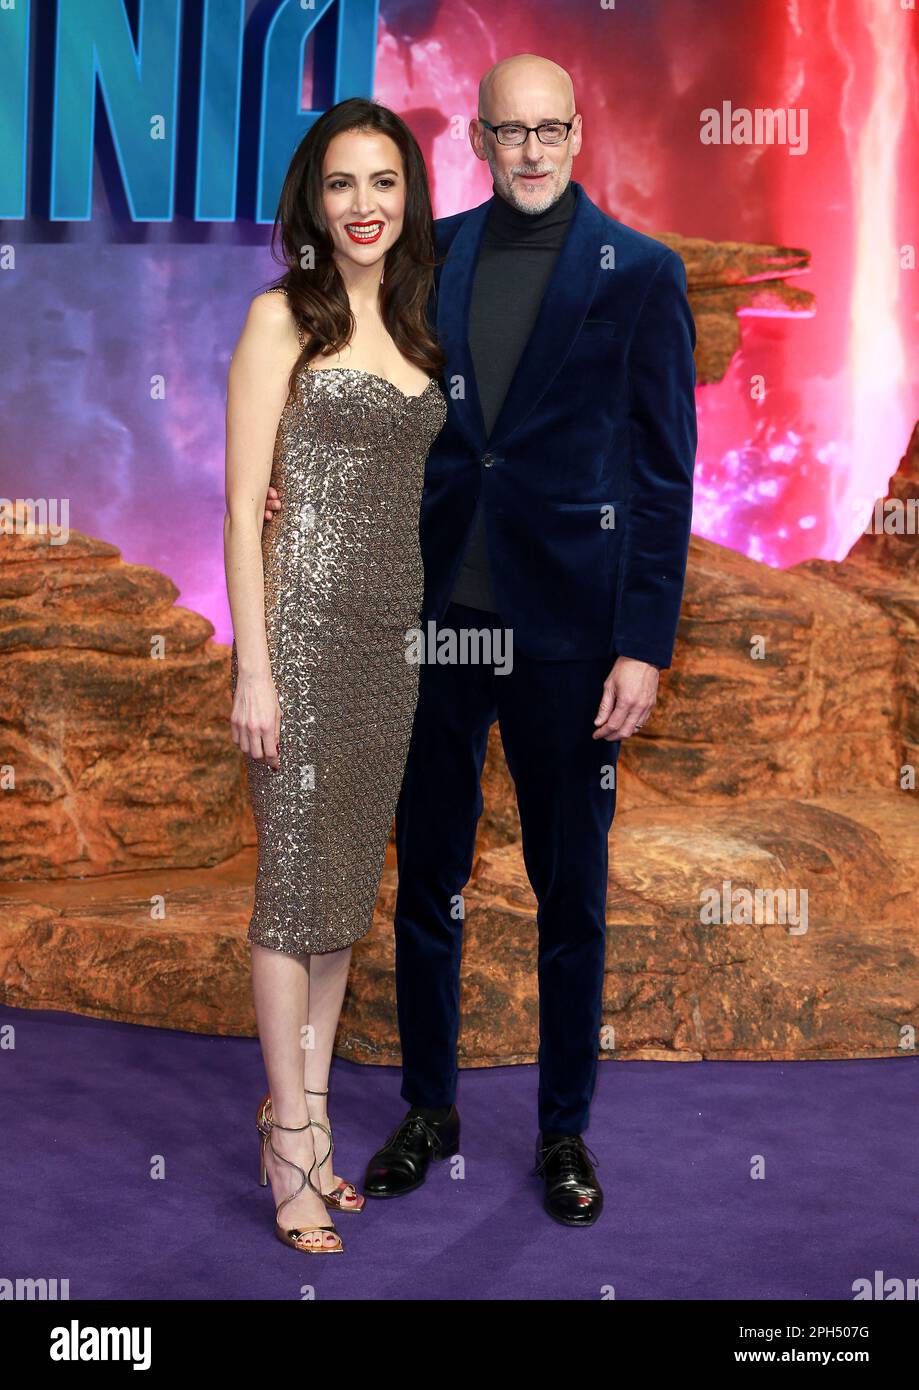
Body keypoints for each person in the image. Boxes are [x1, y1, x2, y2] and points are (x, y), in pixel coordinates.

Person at [264, 53, 697, 1228]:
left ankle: (563, 1133)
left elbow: (663, 478)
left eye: (551, 129)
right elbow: (345, 382)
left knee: (573, 895)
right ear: (478, 138)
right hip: (430, 628)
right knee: (428, 887)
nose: (533, 151)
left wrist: (642, 643)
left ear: (577, 132)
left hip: (570, 640)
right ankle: (429, 1108)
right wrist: (280, 487)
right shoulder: (428, 255)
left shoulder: (641, 276)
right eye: (511, 132)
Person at [224, 96, 447, 1254]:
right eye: (343, 184)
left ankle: (296, 1108)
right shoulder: (279, 321)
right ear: (314, 201)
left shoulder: (419, 330)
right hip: (299, 645)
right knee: (291, 894)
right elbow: (235, 512)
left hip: (389, 647)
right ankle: (293, 1148)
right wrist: (253, 667)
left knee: (342, 899)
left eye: (385, 183)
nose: (364, 206)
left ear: (409, 200)